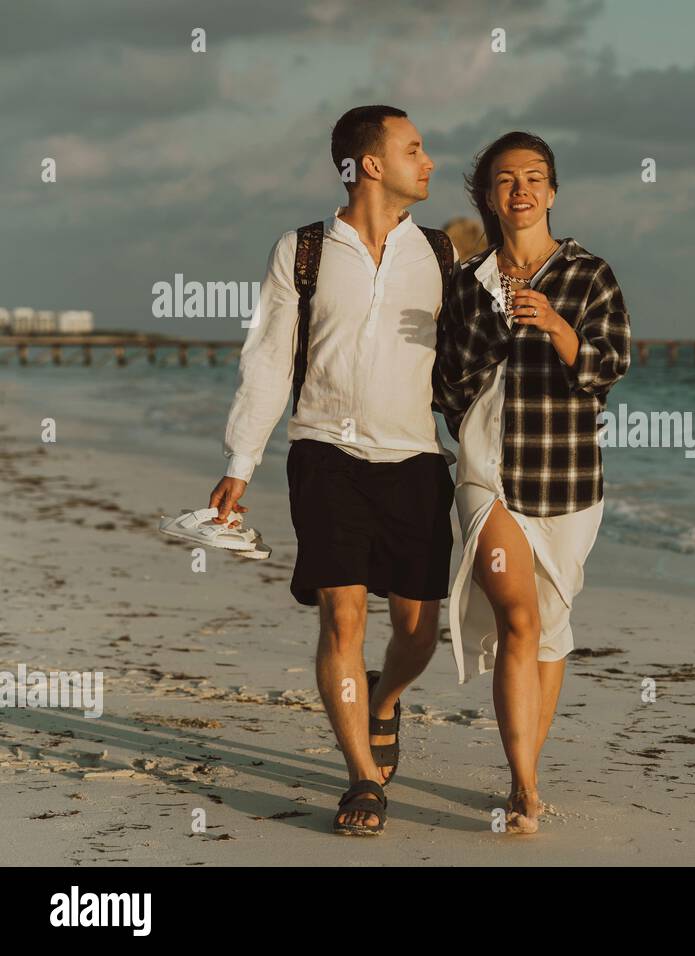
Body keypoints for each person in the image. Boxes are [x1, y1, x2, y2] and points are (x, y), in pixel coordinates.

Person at [210, 105, 458, 836]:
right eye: (415, 148)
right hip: (325, 454)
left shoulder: (441, 255)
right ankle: (360, 780)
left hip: (415, 459)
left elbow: (473, 370)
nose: (430, 161)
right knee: (342, 615)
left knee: (417, 634)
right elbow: (267, 361)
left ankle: (383, 701)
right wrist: (241, 461)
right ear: (372, 163)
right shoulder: (303, 251)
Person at [433, 131, 631, 833]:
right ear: (488, 196)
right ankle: (522, 788)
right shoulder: (466, 283)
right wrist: (490, 336)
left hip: (567, 479)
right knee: (519, 617)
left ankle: (527, 771)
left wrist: (553, 324)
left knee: (547, 631)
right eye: (506, 180)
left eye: (534, 178)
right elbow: (447, 386)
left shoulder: (589, 275)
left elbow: (609, 367)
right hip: (486, 474)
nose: (521, 191)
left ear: (552, 190)